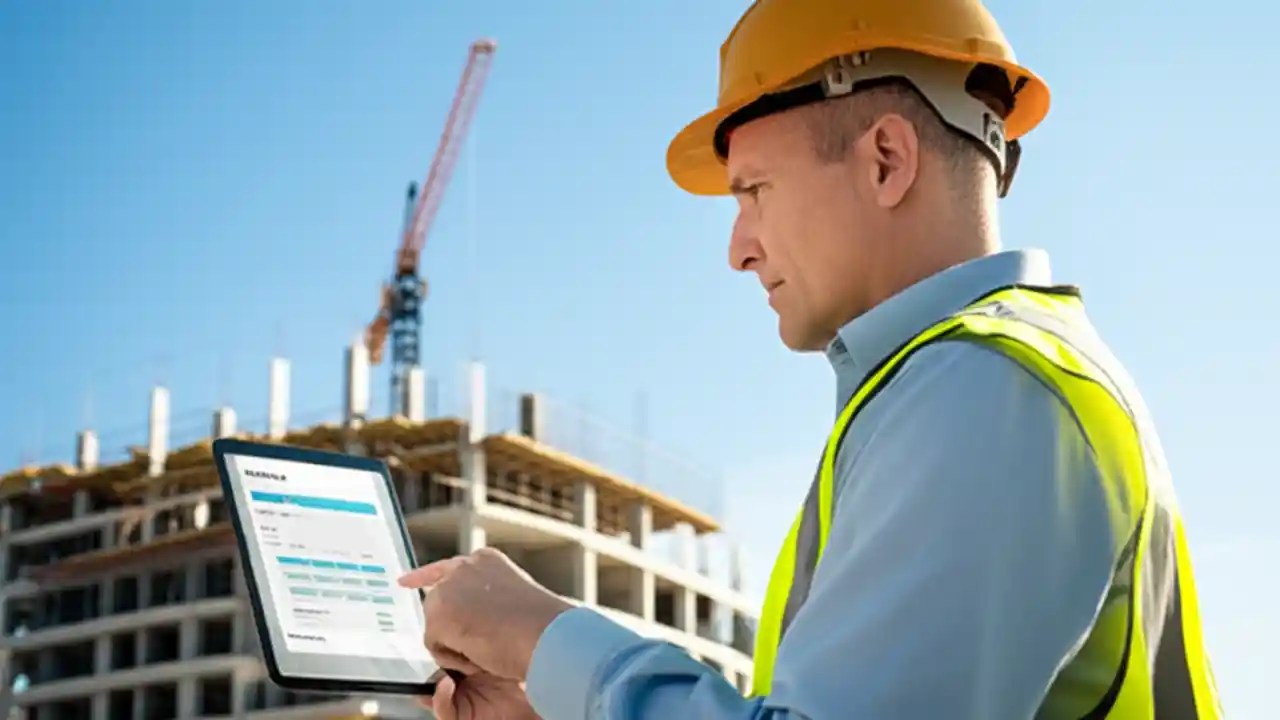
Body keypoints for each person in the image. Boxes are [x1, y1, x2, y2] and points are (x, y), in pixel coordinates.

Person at [398, 0, 1226, 717]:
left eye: (753, 190)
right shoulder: (998, 376)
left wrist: (541, 637)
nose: (738, 249)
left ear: (886, 160)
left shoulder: (981, 391)